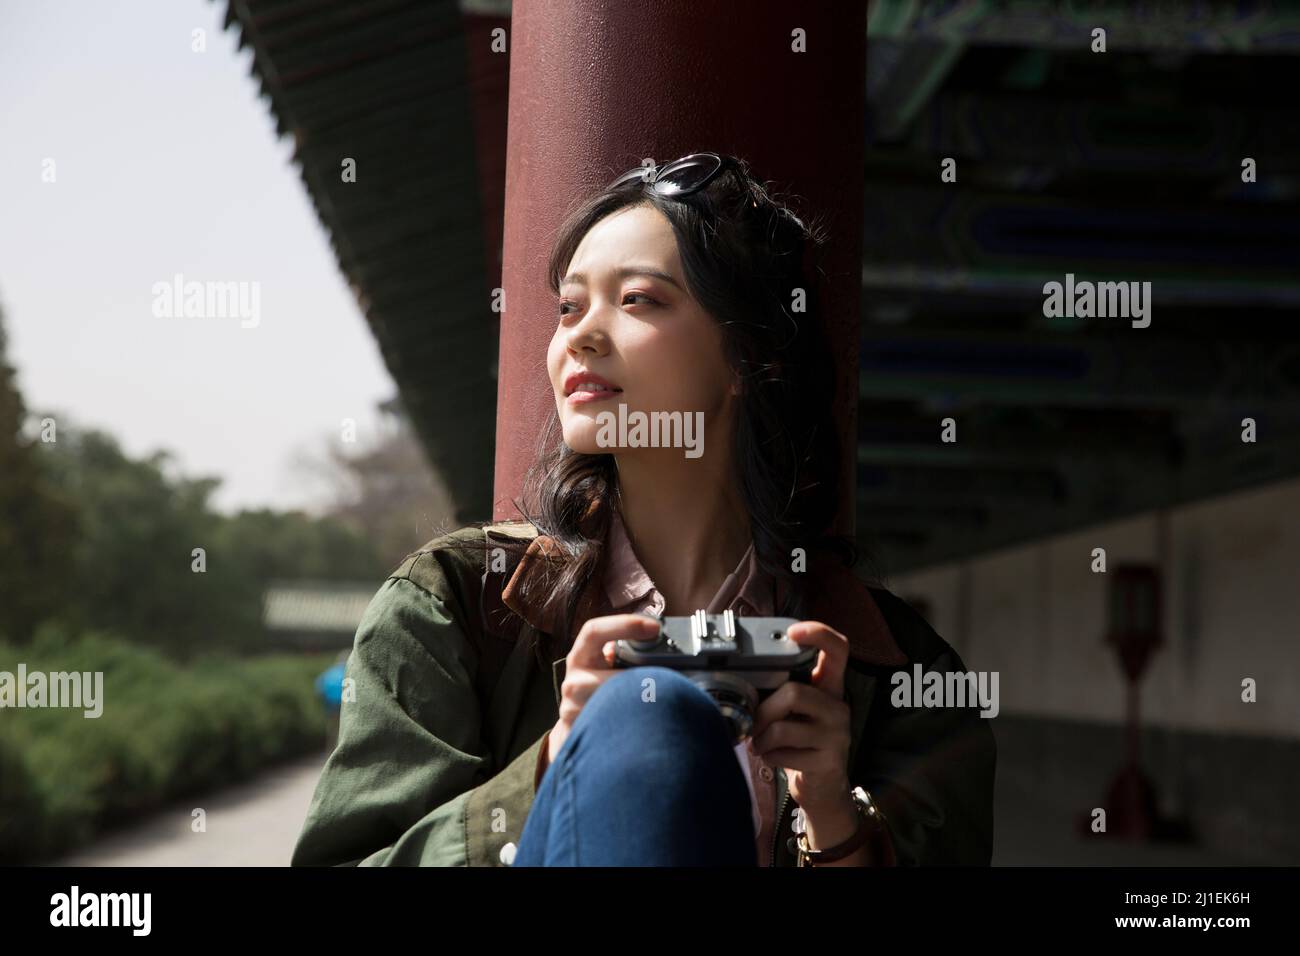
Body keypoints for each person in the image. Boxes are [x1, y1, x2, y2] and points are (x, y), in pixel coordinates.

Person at [290, 152, 996, 867]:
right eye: (570, 306)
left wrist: (833, 816)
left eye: (638, 301)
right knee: (641, 719)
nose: (581, 336)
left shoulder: (896, 664)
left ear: (750, 360)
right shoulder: (456, 605)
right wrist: (551, 767)